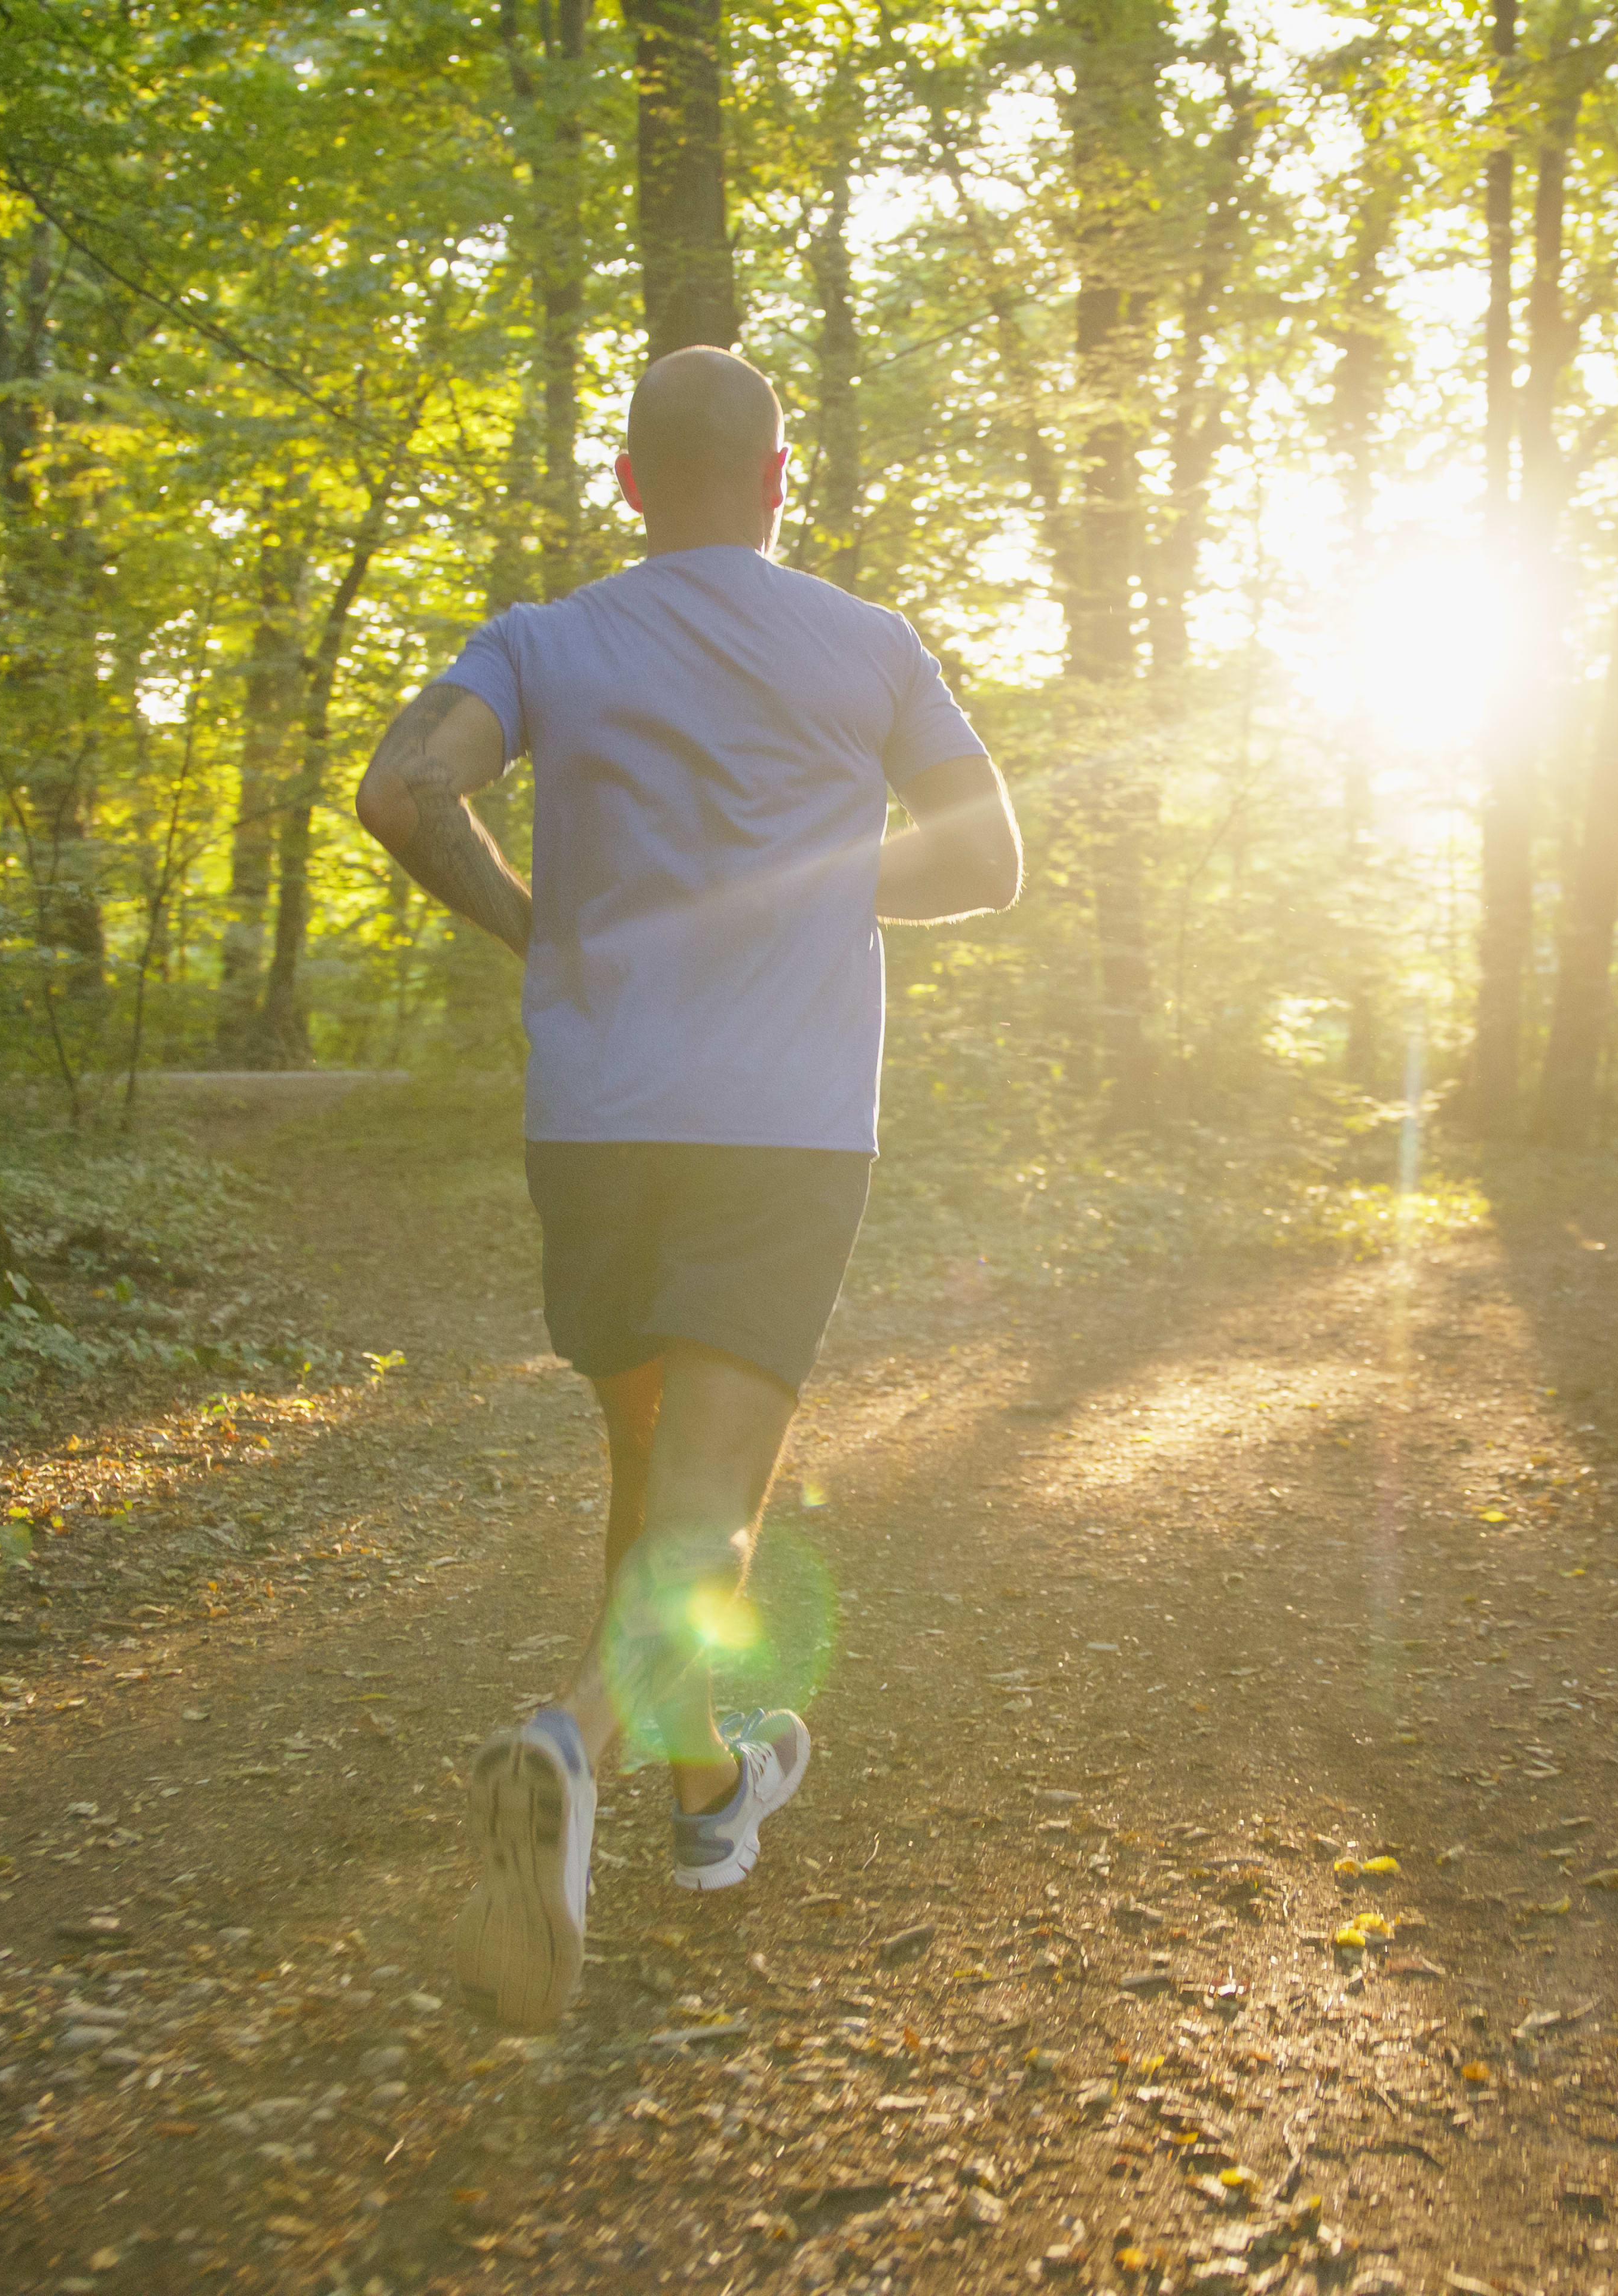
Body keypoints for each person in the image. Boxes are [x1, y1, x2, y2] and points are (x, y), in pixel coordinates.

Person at [354, 345, 1021, 2029]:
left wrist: (531, 922)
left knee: (650, 1482)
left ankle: (707, 1785)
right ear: (780, 479)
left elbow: (406, 790)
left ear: (633, 482)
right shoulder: (870, 648)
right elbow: (990, 860)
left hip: (596, 1120)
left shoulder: (547, 642)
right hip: (779, 1126)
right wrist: (814, 882)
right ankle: (563, 1748)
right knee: (714, 1508)